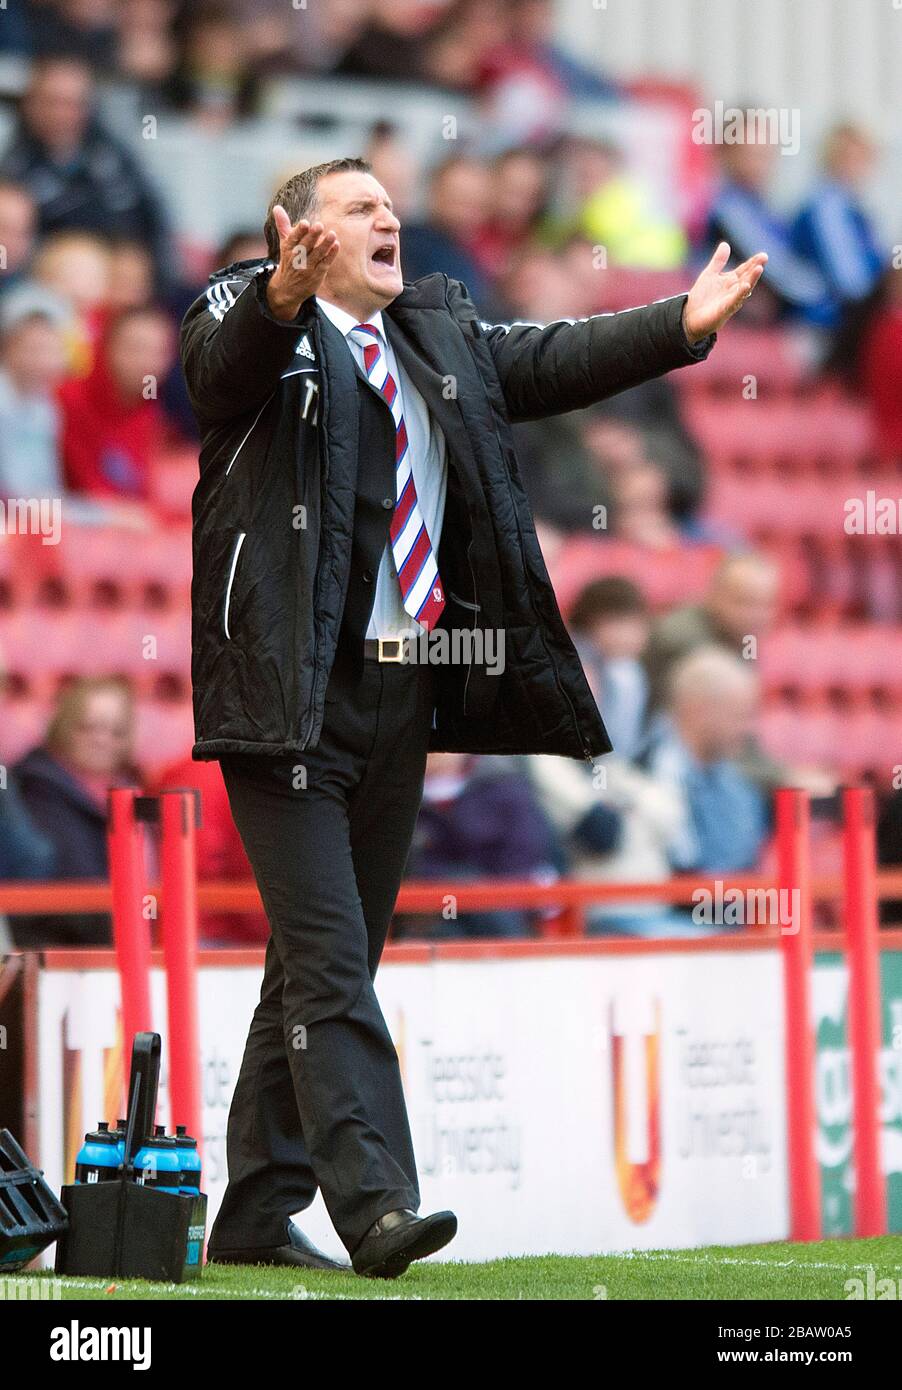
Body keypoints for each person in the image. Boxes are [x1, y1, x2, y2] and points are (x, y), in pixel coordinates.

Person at [179, 155, 765, 1278]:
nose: (386, 216)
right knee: (331, 960)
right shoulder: (245, 308)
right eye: (356, 207)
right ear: (292, 232)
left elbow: (543, 360)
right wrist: (281, 295)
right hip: (284, 698)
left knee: (311, 965)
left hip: (400, 691)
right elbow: (216, 373)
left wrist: (675, 325)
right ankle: (377, 1204)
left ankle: (255, 1210)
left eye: (388, 204)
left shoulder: (433, 340)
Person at [0, 56, 173, 289]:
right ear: (30, 104)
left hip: (121, 284)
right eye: (53, 101)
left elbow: (152, 217)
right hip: (40, 286)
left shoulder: (115, 157)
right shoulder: (11, 165)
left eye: (74, 103)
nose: (63, 113)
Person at [11, 677, 138, 948]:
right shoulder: (39, 791)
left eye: (116, 731)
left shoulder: (130, 790)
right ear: (63, 726)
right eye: (88, 727)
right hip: (69, 951)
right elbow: (79, 886)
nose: (102, 740)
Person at [645, 646, 769, 875]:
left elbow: (744, 861)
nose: (747, 730)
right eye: (739, 716)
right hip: (676, 907)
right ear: (698, 710)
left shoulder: (737, 785)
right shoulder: (648, 775)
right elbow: (682, 868)